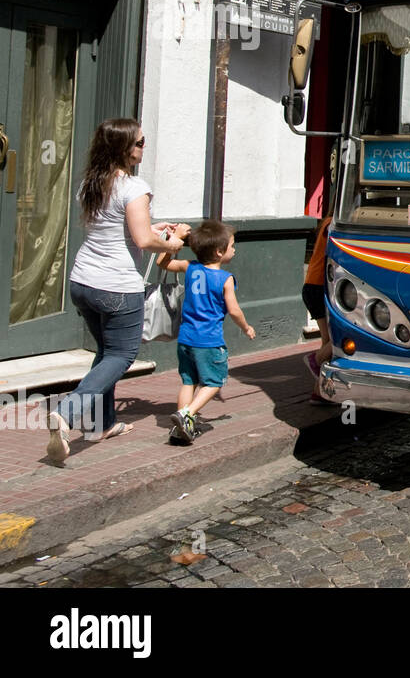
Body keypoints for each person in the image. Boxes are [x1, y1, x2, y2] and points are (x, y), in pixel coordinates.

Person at [46, 119, 187, 463]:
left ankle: (103, 424)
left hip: (82, 282)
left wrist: (153, 228)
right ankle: (67, 411)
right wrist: (172, 241)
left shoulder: (91, 184)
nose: (143, 148)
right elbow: (142, 241)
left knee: (106, 351)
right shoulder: (134, 187)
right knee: (121, 356)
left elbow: (115, 227)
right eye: (139, 143)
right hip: (116, 286)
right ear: (123, 148)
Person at [159, 220, 255, 444]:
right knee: (214, 382)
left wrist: (174, 239)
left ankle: (182, 426)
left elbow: (163, 262)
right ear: (220, 252)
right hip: (208, 341)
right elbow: (233, 310)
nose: (234, 249)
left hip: (186, 338)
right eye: (232, 246)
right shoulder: (225, 279)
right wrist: (246, 327)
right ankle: (187, 415)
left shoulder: (189, 267)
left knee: (188, 382)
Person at [301, 215, 333, 404]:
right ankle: (315, 360)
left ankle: (320, 393)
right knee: (335, 342)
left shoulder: (327, 221)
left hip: (314, 286)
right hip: (320, 287)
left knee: (328, 341)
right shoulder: (333, 224)